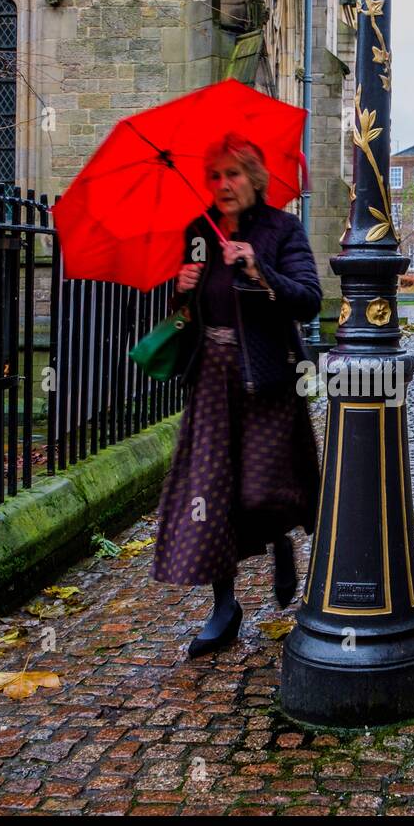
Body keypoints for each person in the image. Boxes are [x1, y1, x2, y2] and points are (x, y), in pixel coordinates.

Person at [150, 133, 323, 658]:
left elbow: (309, 301)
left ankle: (278, 538)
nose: (223, 185)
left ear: (255, 178)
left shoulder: (282, 229)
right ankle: (223, 606)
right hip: (212, 382)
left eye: (234, 174)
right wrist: (180, 288)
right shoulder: (197, 232)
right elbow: (186, 317)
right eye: (215, 176)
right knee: (212, 495)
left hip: (267, 381)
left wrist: (256, 268)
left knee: (262, 491)